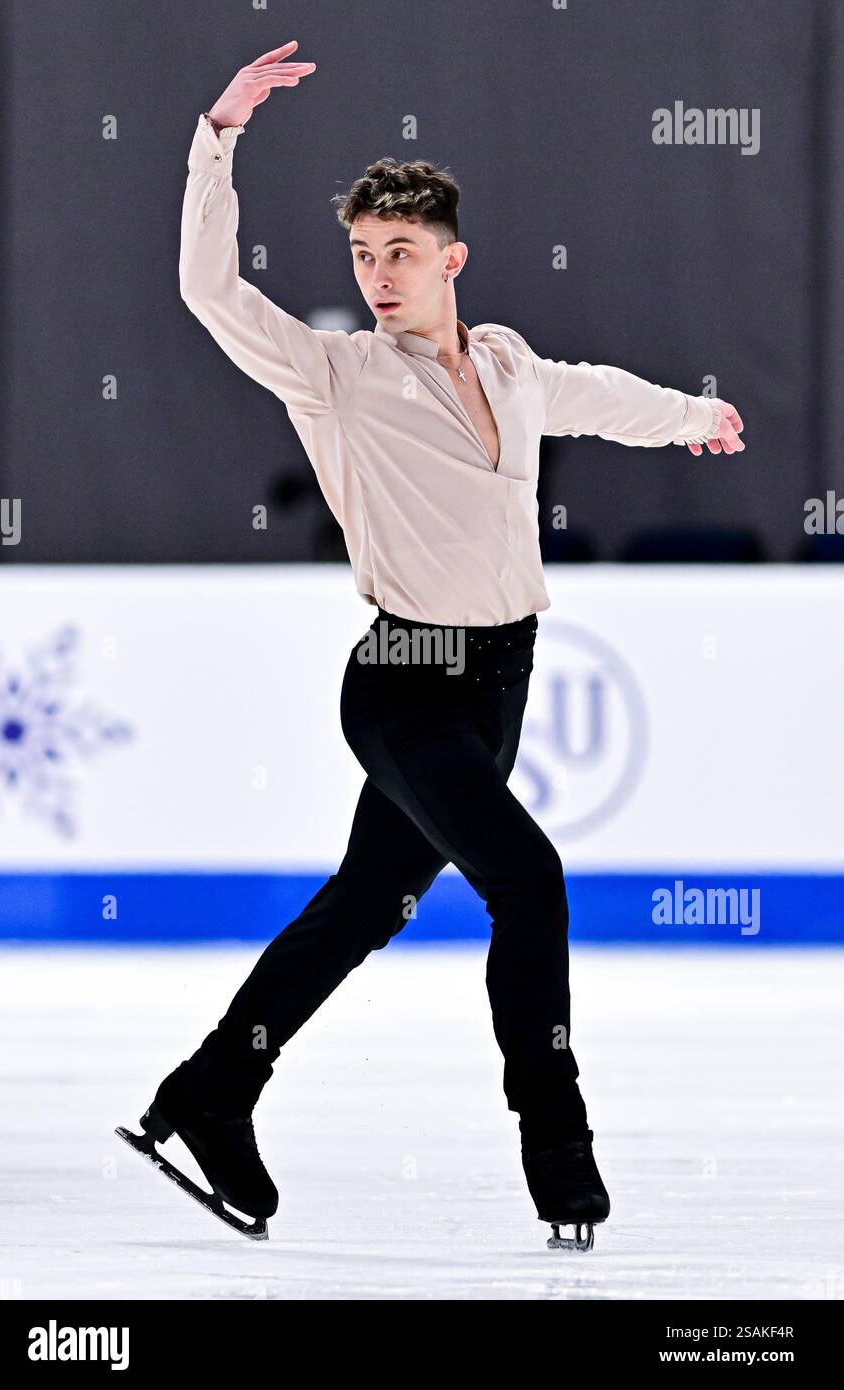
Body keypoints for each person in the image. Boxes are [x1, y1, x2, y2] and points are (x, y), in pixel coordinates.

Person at [126, 40, 745, 1244]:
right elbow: (211, 294)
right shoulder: (337, 375)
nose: (376, 275)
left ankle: (211, 1089)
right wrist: (218, 136)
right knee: (529, 880)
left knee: (365, 903)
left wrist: (692, 418)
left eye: (398, 253)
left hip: (500, 681)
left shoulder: (507, 363)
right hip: (404, 680)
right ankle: (555, 1145)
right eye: (361, 255)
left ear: (450, 260)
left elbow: (595, 392)